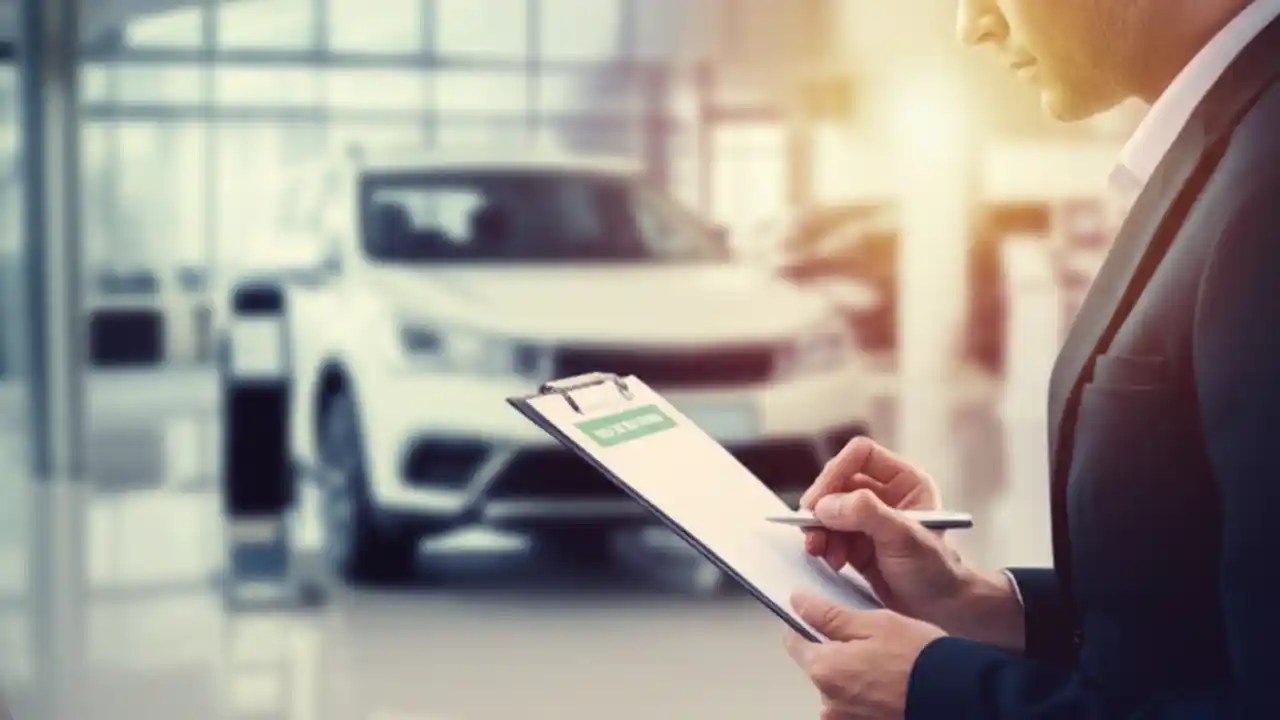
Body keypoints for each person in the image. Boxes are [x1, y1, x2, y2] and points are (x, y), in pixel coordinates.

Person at [783, 0, 1280, 718]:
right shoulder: (1235, 137)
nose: (972, 24)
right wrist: (987, 608)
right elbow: (1217, 621)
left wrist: (944, 694)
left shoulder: (1266, 180)